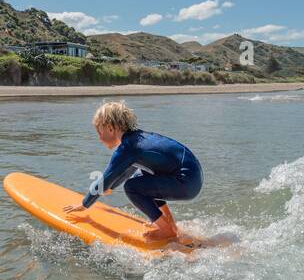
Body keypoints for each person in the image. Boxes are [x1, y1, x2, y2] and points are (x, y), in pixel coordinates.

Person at [64, 100, 203, 242]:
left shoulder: (128, 148)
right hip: (192, 178)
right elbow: (128, 170)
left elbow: (106, 178)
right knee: (143, 175)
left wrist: (85, 204)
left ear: (111, 128)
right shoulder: (138, 140)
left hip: (185, 182)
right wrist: (110, 187)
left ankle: (167, 230)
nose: (99, 138)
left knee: (132, 187)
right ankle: (170, 224)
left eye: (99, 132)